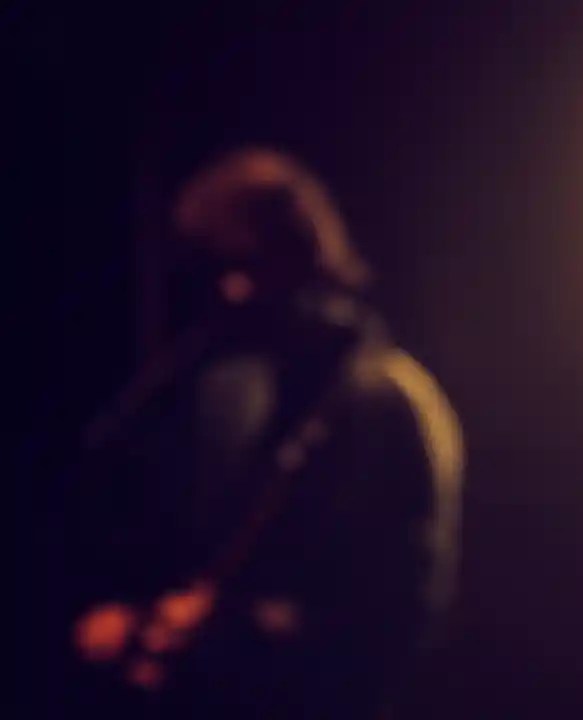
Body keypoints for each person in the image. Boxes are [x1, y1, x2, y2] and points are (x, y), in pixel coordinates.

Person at [59, 148, 464, 719]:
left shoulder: (387, 401)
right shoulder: (237, 393)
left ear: (300, 257)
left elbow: (391, 613)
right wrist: (145, 624)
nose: (232, 292)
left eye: (247, 266)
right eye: (217, 270)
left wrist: (226, 636)